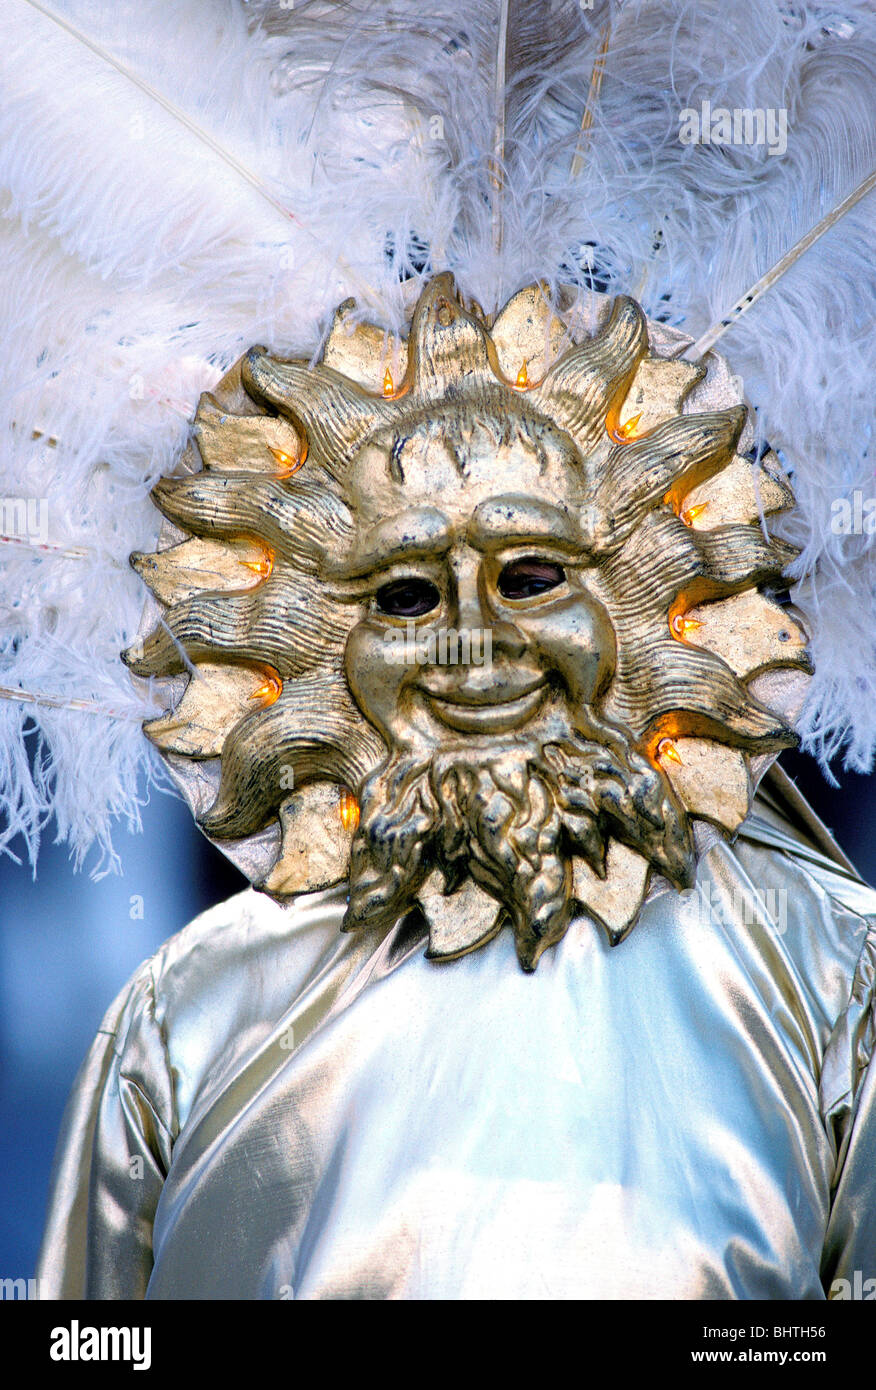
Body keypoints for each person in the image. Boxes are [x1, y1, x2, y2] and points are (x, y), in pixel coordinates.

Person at [36, 279, 876, 1300]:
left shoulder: (837, 983)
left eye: (532, 576)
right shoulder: (185, 1020)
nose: (472, 636)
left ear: (661, 585)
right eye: (404, 596)